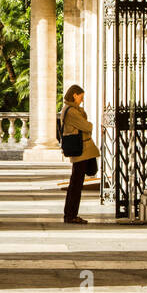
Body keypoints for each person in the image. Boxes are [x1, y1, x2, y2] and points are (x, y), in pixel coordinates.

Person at [59, 84, 99, 224]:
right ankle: (70, 215)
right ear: (74, 95)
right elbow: (87, 126)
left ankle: (70, 214)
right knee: (76, 184)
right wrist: (88, 124)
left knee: (77, 181)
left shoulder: (72, 110)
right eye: (81, 97)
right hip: (81, 150)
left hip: (82, 150)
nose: (82, 100)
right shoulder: (71, 111)